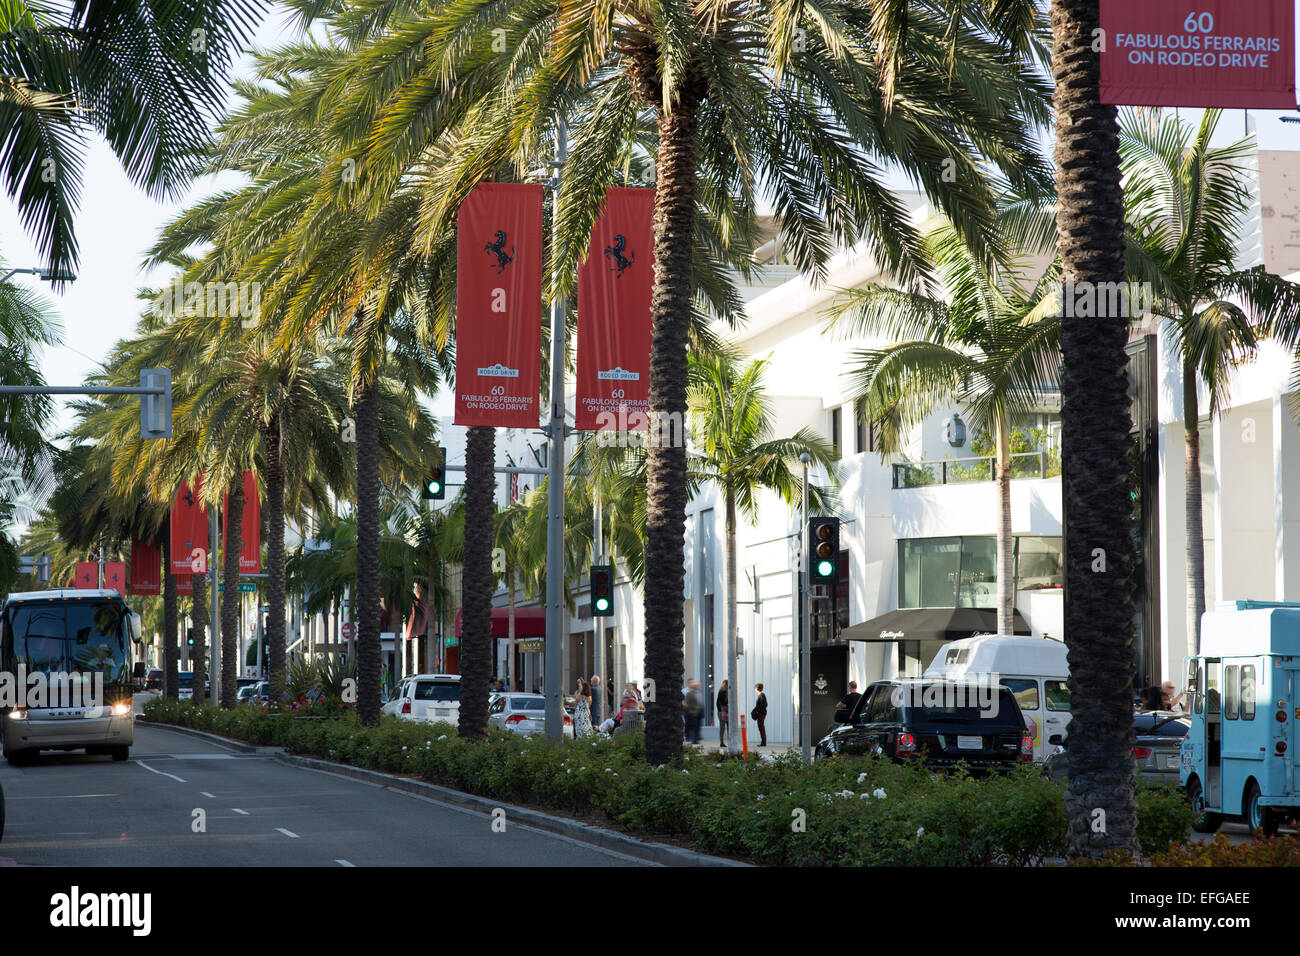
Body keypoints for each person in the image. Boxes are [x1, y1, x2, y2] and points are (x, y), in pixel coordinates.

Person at [751, 682, 768, 747]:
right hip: (762, 713)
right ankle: (763, 742)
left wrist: (757, 711)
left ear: (756, 688)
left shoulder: (761, 696)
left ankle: (763, 743)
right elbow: (765, 704)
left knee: (761, 728)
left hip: (761, 714)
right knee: (761, 727)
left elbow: (763, 705)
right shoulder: (762, 695)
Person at [716, 680, 729, 749]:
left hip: (725, 711)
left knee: (724, 727)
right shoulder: (722, 692)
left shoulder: (726, 692)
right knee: (723, 727)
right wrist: (720, 711)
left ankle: (723, 742)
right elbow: (718, 702)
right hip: (723, 711)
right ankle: (722, 742)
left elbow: (717, 702)